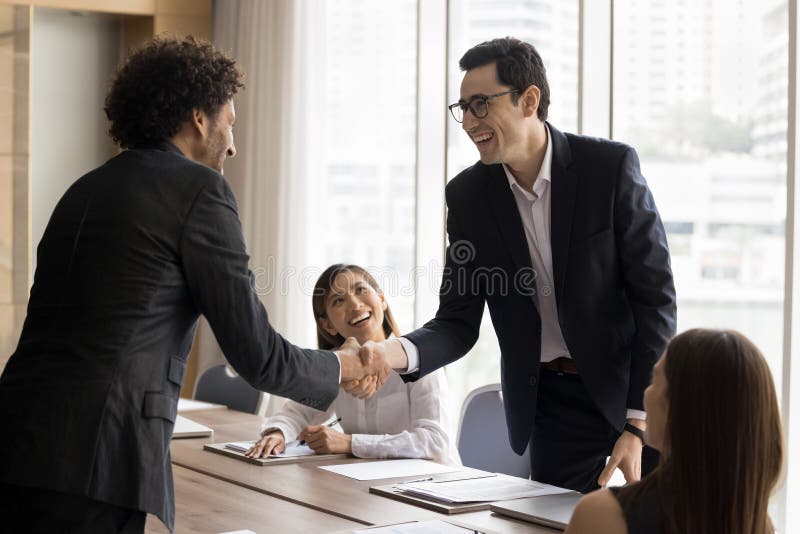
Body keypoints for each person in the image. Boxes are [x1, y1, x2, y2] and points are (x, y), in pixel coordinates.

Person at [0, 37, 376, 533]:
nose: (234, 144)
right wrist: (343, 364)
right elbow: (257, 353)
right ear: (200, 117)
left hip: (16, 443)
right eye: (230, 123)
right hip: (97, 456)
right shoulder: (200, 190)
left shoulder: (84, 188)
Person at [357, 37, 676, 493]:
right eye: (462, 107)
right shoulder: (468, 197)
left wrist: (638, 426)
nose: (468, 122)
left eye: (481, 105)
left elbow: (656, 302)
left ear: (530, 100)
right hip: (551, 404)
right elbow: (456, 322)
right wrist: (389, 354)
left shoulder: (608, 168)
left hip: (635, 394)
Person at [565, 329, 783, 534]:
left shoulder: (600, 515)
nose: (645, 394)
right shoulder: (758, 524)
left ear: (680, 408)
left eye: (654, 380)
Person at [245, 264, 460, 466]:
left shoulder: (416, 360)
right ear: (327, 325)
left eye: (360, 290)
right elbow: (295, 413)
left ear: (382, 299)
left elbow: (436, 443)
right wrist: (278, 434)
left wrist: (350, 443)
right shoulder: (333, 366)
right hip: (370, 487)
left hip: (433, 489)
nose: (355, 304)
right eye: (338, 301)